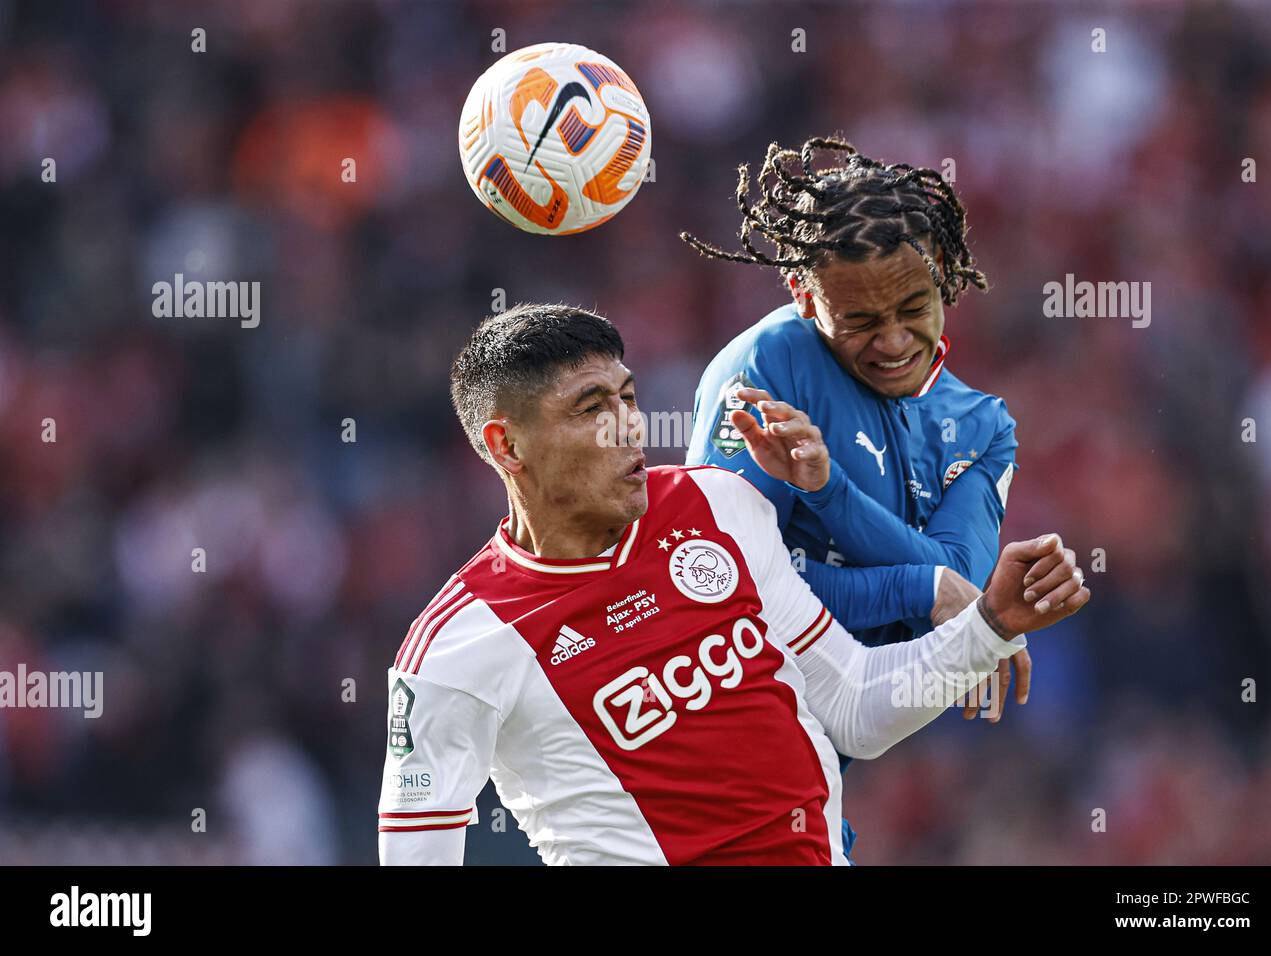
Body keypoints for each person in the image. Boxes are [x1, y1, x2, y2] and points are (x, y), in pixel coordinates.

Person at [377, 303, 1088, 866]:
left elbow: (853, 706)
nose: (628, 427)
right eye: (591, 409)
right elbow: (416, 852)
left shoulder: (716, 506)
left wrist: (988, 624)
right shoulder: (460, 645)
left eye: (628, 397)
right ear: (506, 446)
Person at [681, 139, 1036, 857]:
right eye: (862, 323)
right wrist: (918, 582)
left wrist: (832, 495)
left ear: (944, 276)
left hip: (811, 785)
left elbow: (949, 603)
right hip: (701, 781)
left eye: (915, 306)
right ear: (804, 296)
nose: (896, 341)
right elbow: (721, 596)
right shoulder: (768, 367)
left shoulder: (983, 429)